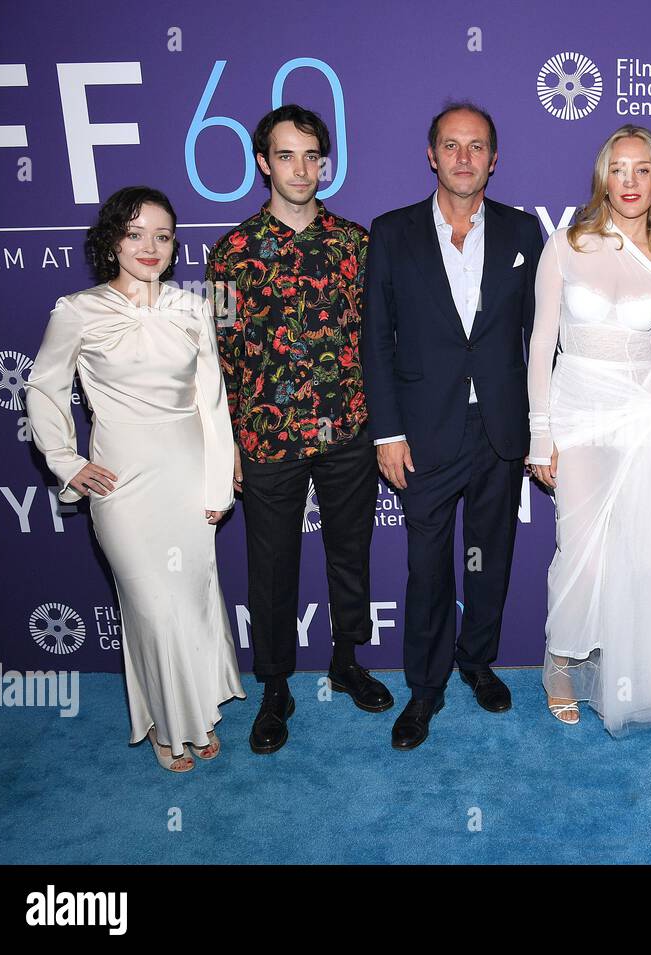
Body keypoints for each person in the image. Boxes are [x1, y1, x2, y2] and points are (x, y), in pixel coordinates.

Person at [25, 186, 242, 773]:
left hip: (187, 475)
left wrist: (218, 484)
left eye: (163, 236)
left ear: (175, 246)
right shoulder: (77, 310)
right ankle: (167, 724)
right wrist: (67, 462)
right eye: (135, 232)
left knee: (190, 604)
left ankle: (195, 715)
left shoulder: (193, 307)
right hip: (122, 485)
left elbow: (212, 404)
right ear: (112, 239)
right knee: (150, 605)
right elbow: (43, 388)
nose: (149, 246)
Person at [207, 104, 391, 756]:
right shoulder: (231, 252)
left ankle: (347, 660)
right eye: (286, 155)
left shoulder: (354, 243)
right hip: (265, 436)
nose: (302, 168)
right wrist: (225, 442)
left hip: (347, 429)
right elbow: (221, 354)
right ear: (263, 162)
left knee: (351, 552)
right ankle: (275, 685)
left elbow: (377, 340)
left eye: (312, 155)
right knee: (272, 564)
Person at [362, 102, 545, 751]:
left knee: (490, 555)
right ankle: (425, 686)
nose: (463, 157)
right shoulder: (392, 232)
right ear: (431, 155)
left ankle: (477, 659)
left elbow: (541, 336)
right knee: (428, 565)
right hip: (423, 430)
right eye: (451, 145)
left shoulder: (526, 234)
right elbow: (375, 342)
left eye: (476, 146)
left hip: (500, 426)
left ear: (493, 159)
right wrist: (385, 432)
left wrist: (541, 427)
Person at [527, 124, 651, 734]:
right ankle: (559, 664)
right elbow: (541, 342)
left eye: (641, 169)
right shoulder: (567, 244)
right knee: (582, 552)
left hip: (647, 412)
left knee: (645, 556)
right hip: (577, 411)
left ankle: (626, 668)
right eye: (618, 170)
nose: (629, 182)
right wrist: (539, 434)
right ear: (603, 178)